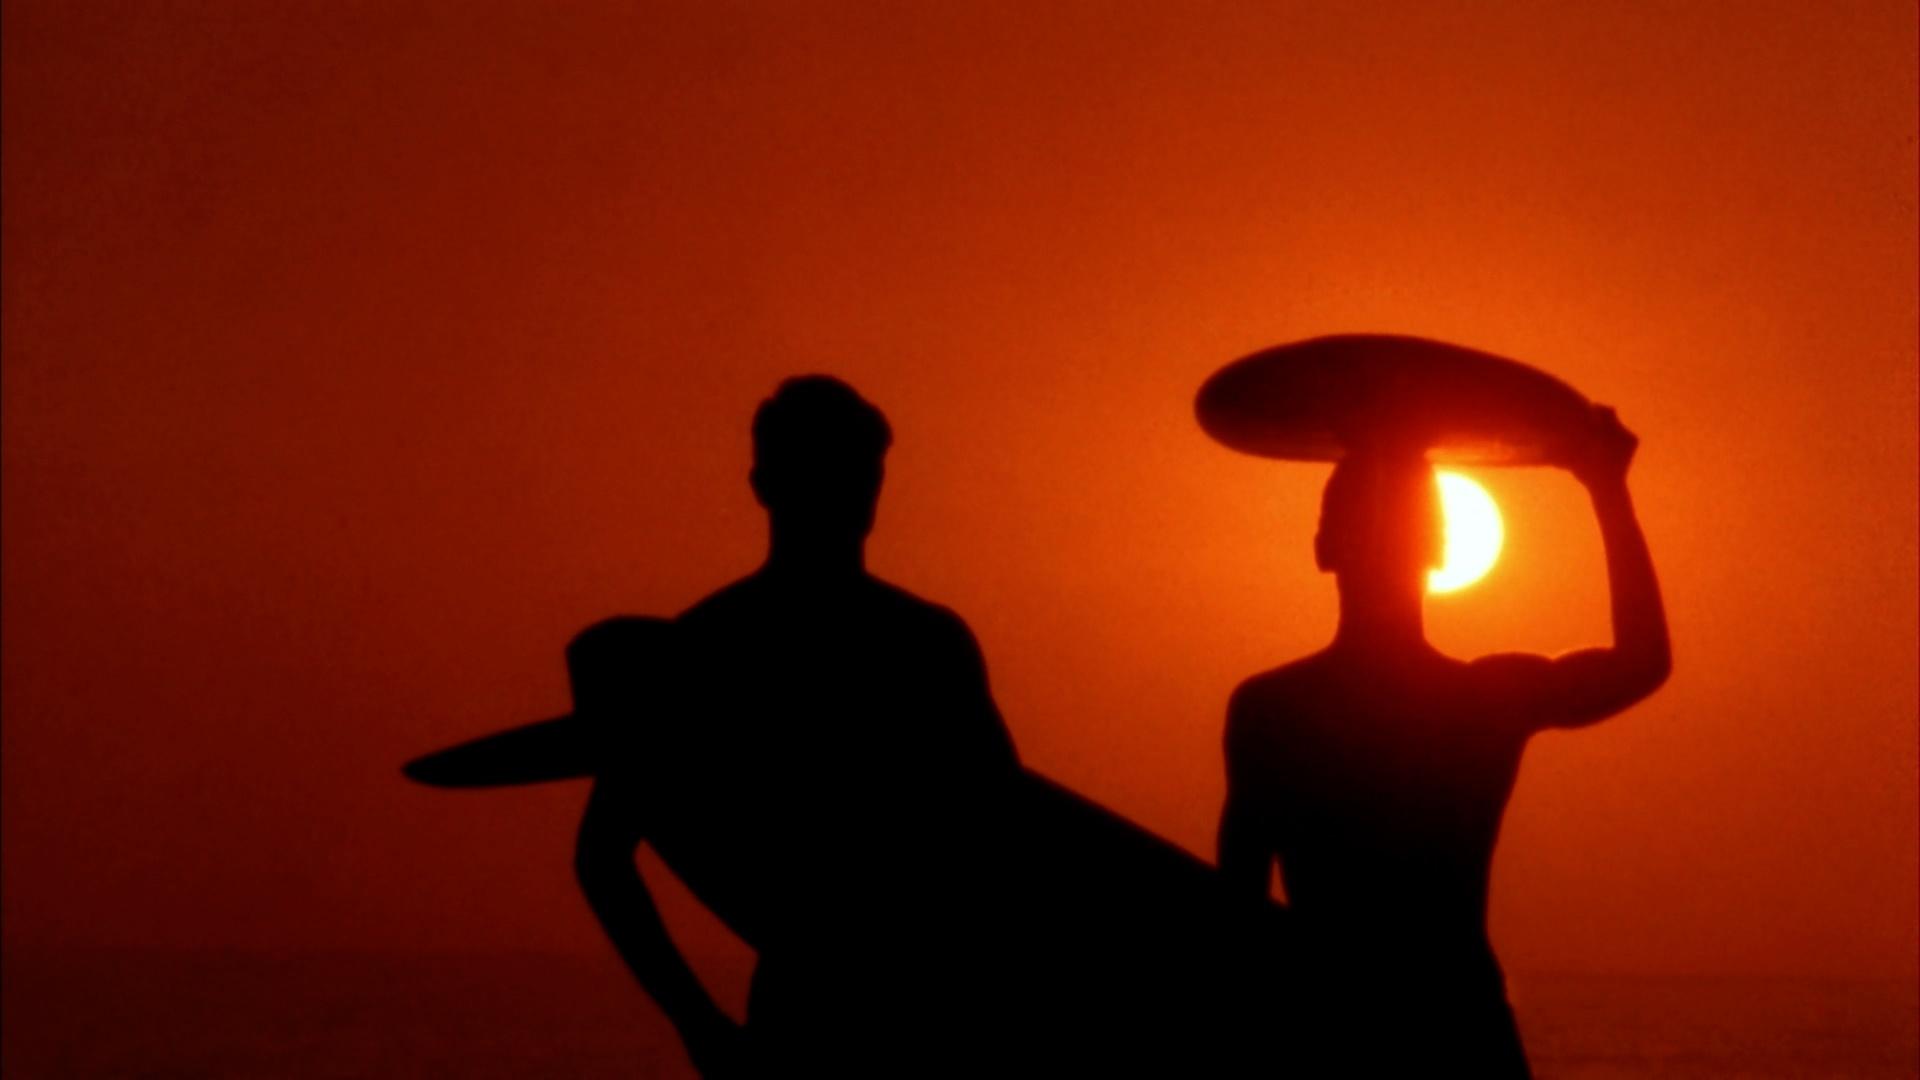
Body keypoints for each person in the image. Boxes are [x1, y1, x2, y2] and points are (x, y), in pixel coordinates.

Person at [571, 376, 1024, 1077]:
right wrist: (698, 1023)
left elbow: (1007, 833)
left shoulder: (928, 643)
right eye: (833, 474)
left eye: (865, 475)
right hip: (806, 1016)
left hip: (939, 1011)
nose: (856, 496)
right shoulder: (705, 651)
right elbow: (602, 855)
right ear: (765, 486)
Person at [1215, 407, 1670, 1077]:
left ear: (1322, 548)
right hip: (1453, 1029)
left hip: (1347, 1030)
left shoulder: (1275, 709)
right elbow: (1642, 661)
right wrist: (1605, 485)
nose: (1379, 542)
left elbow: (1237, 918)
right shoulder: (1480, 701)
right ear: (1440, 550)